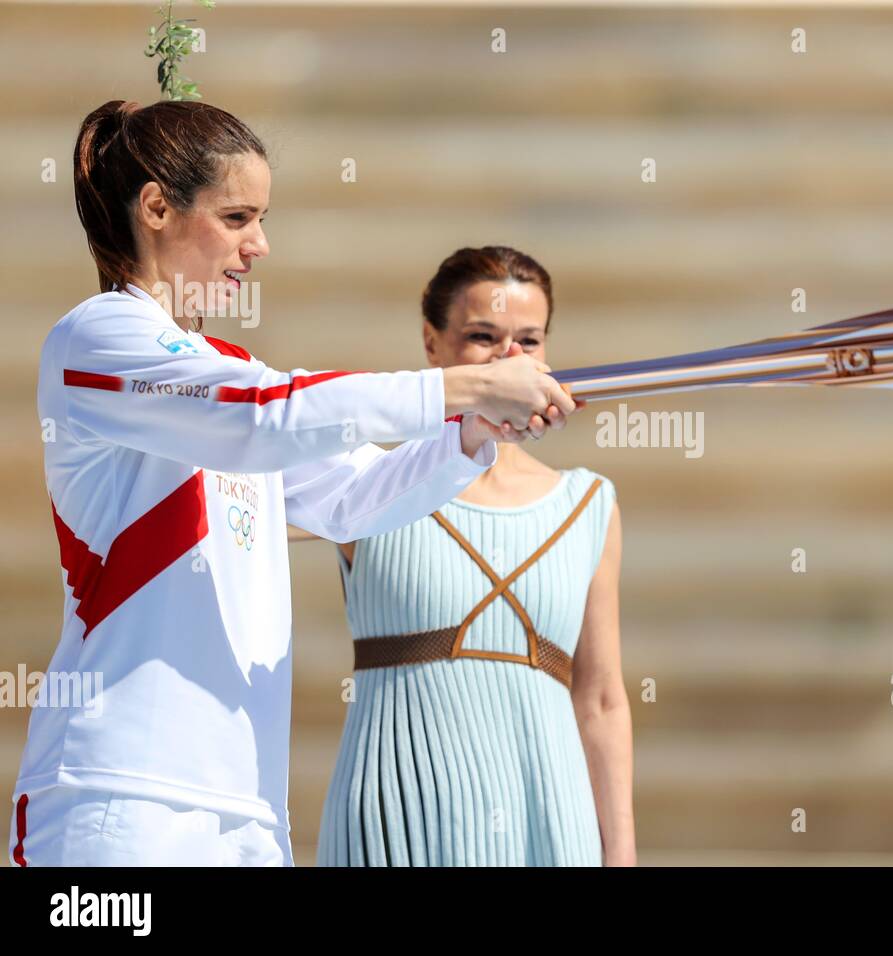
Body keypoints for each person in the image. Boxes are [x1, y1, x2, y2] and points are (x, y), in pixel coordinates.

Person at [8, 100, 576, 867]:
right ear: (155, 207)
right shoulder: (97, 340)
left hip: (246, 806)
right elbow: (267, 417)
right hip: (121, 797)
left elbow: (356, 497)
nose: (260, 245)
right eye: (238, 217)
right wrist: (468, 390)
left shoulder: (230, 374)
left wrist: (470, 437)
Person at [316, 246, 635, 866]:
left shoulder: (589, 504)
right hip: (400, 812)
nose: (510, 361)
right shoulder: (369, 485)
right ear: (433, 345)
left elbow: (600, 700)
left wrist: (619, 856)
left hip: (547, 810)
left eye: (529, 341)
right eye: (483, 337)